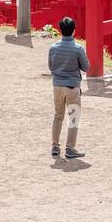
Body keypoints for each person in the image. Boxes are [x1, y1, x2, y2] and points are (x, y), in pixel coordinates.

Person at [48, 16, 89, 159]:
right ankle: (70, 148)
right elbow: (86, 67)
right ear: (74, 31)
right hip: (72, 86)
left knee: (58, 116)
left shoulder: (53, 48)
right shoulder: (78, 48)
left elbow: (50, 66)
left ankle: (54, 146)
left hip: (57, 86)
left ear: (60, 30)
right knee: (73, 117)